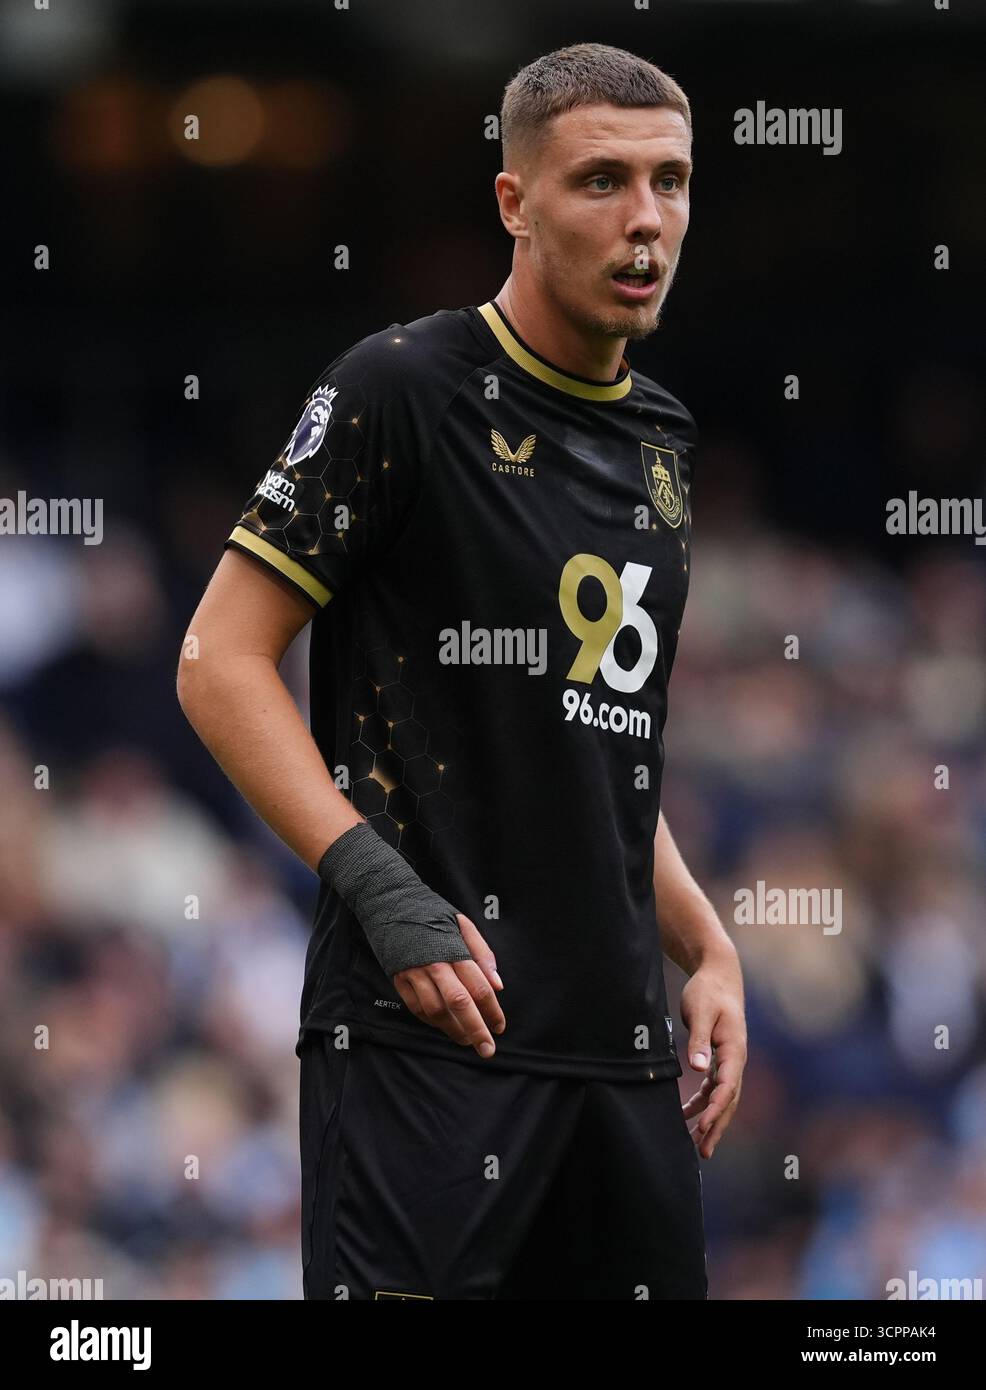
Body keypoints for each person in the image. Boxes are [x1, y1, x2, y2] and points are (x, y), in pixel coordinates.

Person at [178, 41, 746, 1301]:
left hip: (618, 1053)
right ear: (514, 203)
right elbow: (218, 660)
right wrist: (383, 894)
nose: (645, 218)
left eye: (670, 181)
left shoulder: (662, 436)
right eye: (600, 181)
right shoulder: (402, 388)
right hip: (431, 1035)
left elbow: (593, 742)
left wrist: (703, 944)